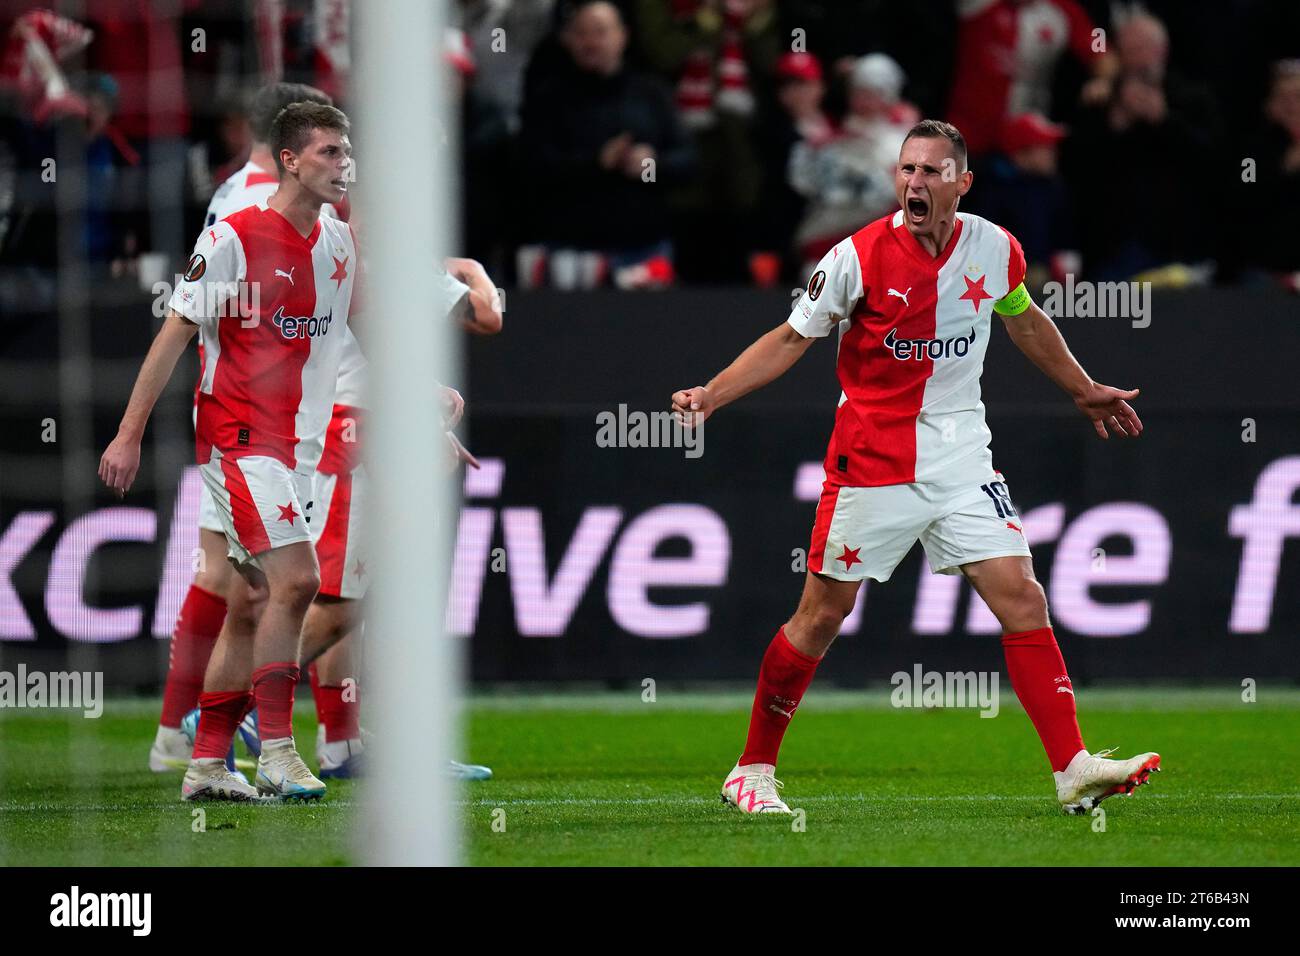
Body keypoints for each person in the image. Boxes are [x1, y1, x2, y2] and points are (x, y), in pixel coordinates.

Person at [670, 119, 1160, 816]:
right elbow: (790, 337)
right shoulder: (858, 257)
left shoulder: (996, 248)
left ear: (962, 182)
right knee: (822, 614)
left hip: (962, 454)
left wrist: (1082, 387)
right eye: (906, 171)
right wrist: (713, 394)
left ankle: (1072, 768)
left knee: (1022, 597)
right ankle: (751, 769)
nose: (915, 184)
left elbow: (1023, 319)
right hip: (872, 457)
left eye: (931, 171)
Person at [102, 101, 357, 801]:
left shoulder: (337, 243)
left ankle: (207, 763)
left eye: (346, 152)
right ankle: (278, 749)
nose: (345, 166)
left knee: (250, 602)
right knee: (299, 583)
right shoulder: (234, 237)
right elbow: (173, 335)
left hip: (298, 448)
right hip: (239, 440)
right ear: (291, 159)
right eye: (331, 153)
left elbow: (362, 331)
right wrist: (128, 434)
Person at [148, 82, 334, 777]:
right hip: (245, 419)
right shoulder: (250, 202)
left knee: (241, 583)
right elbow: (206, 308)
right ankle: (208, 735)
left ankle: (190, 742)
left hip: (270, 419)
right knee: (251, 582)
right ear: (289, 144)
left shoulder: (256, 192)